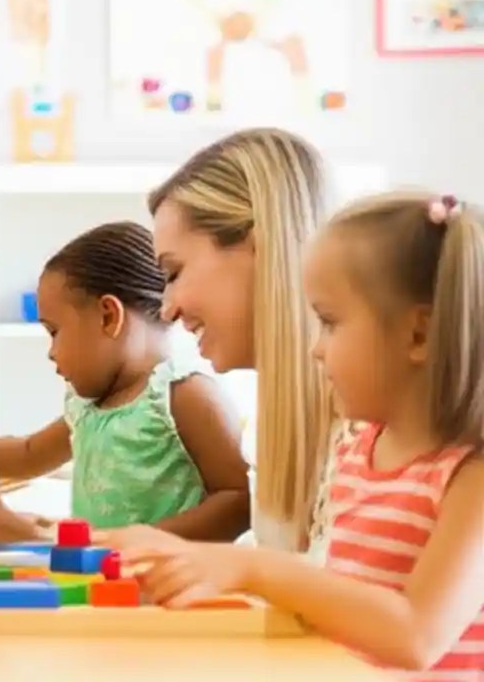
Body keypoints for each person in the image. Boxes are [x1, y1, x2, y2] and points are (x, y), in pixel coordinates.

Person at [112, 192, 484, 677]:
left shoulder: (470, 478)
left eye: (330, 322)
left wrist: (252, 569)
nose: (316, 349)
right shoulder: (357, 449)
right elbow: (340, 596)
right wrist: (193, 563)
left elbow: (415, 636)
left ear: (418, 335)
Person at [0, 222, 250, 540]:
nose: (51, 352)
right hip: (101, 584)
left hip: (169, 595)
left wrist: (137, 544)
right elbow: (28, 454)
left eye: (54, 331)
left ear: (108, 316)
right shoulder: (88, 407)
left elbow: (237, 499)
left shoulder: (183, 395)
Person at [107, 128, 340, 556]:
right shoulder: (279, 425)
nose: (168, 308)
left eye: (174, 272)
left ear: (261, 247)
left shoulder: (369, 431)